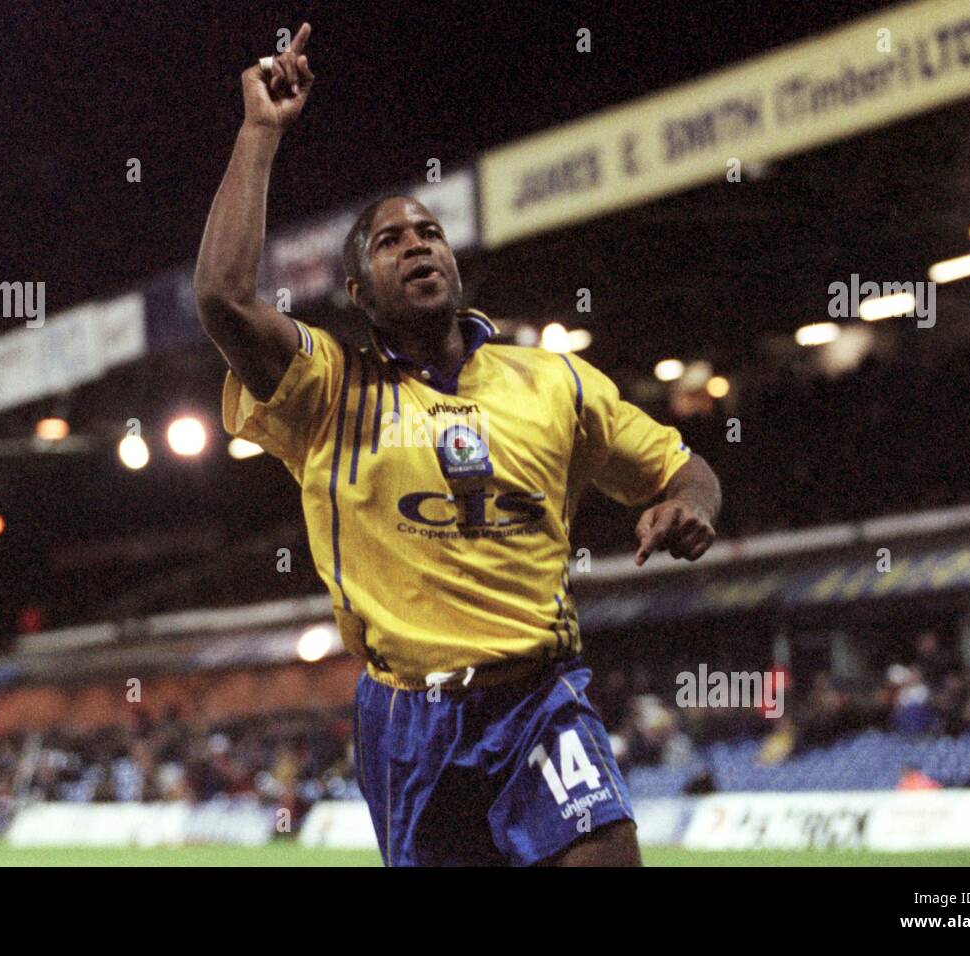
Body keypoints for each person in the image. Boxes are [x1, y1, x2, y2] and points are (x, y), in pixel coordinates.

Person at [194, 23, 721, 866]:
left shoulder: (553, 381)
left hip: (542, 700)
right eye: (391, 240)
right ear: (359, 290)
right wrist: (260, 131)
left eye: (429, 232)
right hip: (410, 722)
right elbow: (223, 299)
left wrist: (688, 507)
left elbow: (684, 467)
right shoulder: (327, 389)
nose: (417, 244)